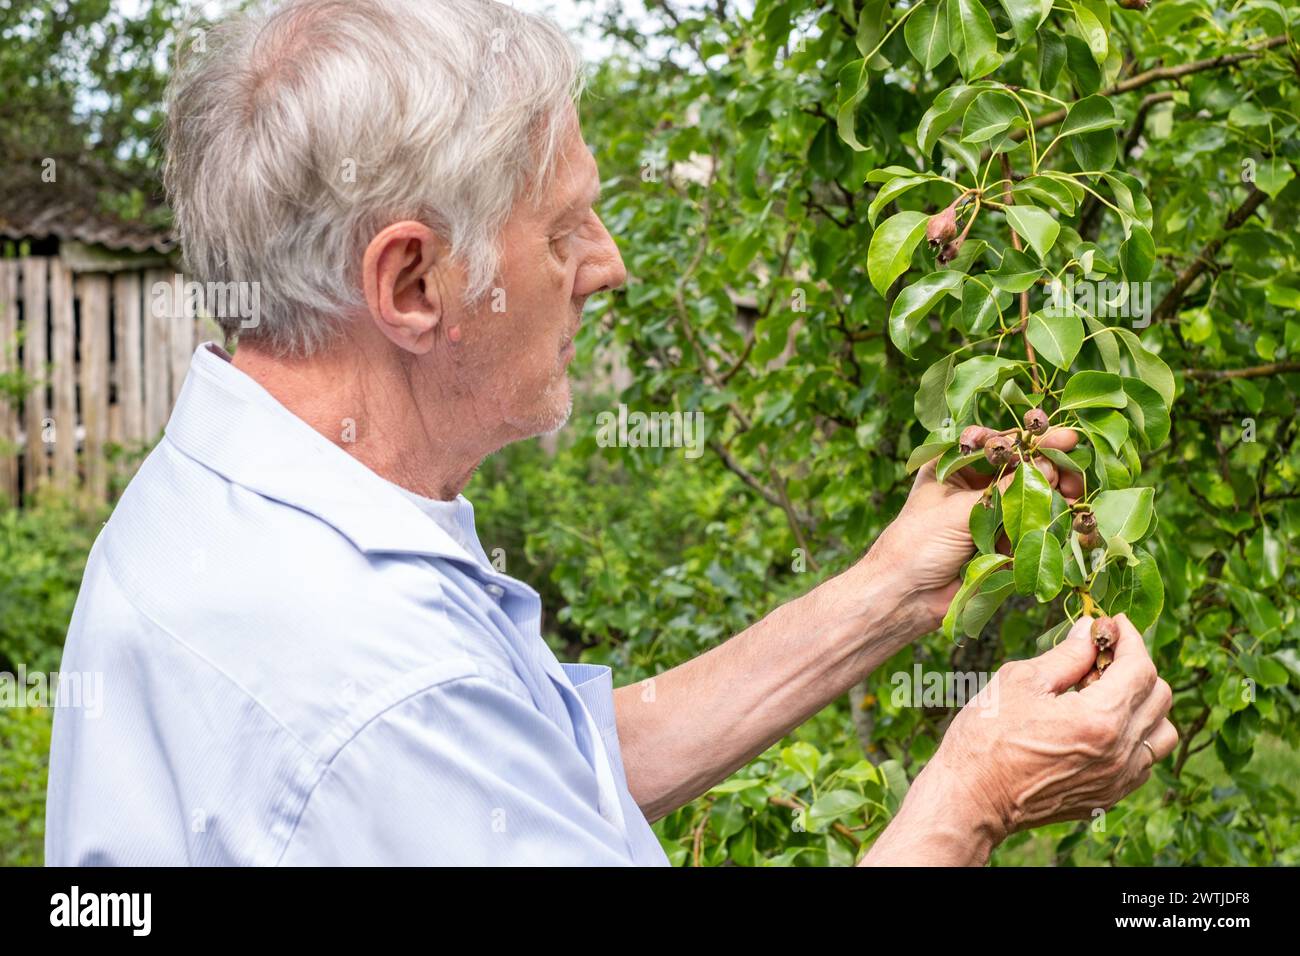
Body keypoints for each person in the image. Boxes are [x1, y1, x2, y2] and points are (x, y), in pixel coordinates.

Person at [44, 0, 1175, 866]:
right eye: (564, 228)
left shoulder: (242, 497)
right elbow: (433, 740)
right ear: (413, 282)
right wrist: (968, 796)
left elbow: (547, 771)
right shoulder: (377, 685)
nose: (609, 266)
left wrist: (886, 591)